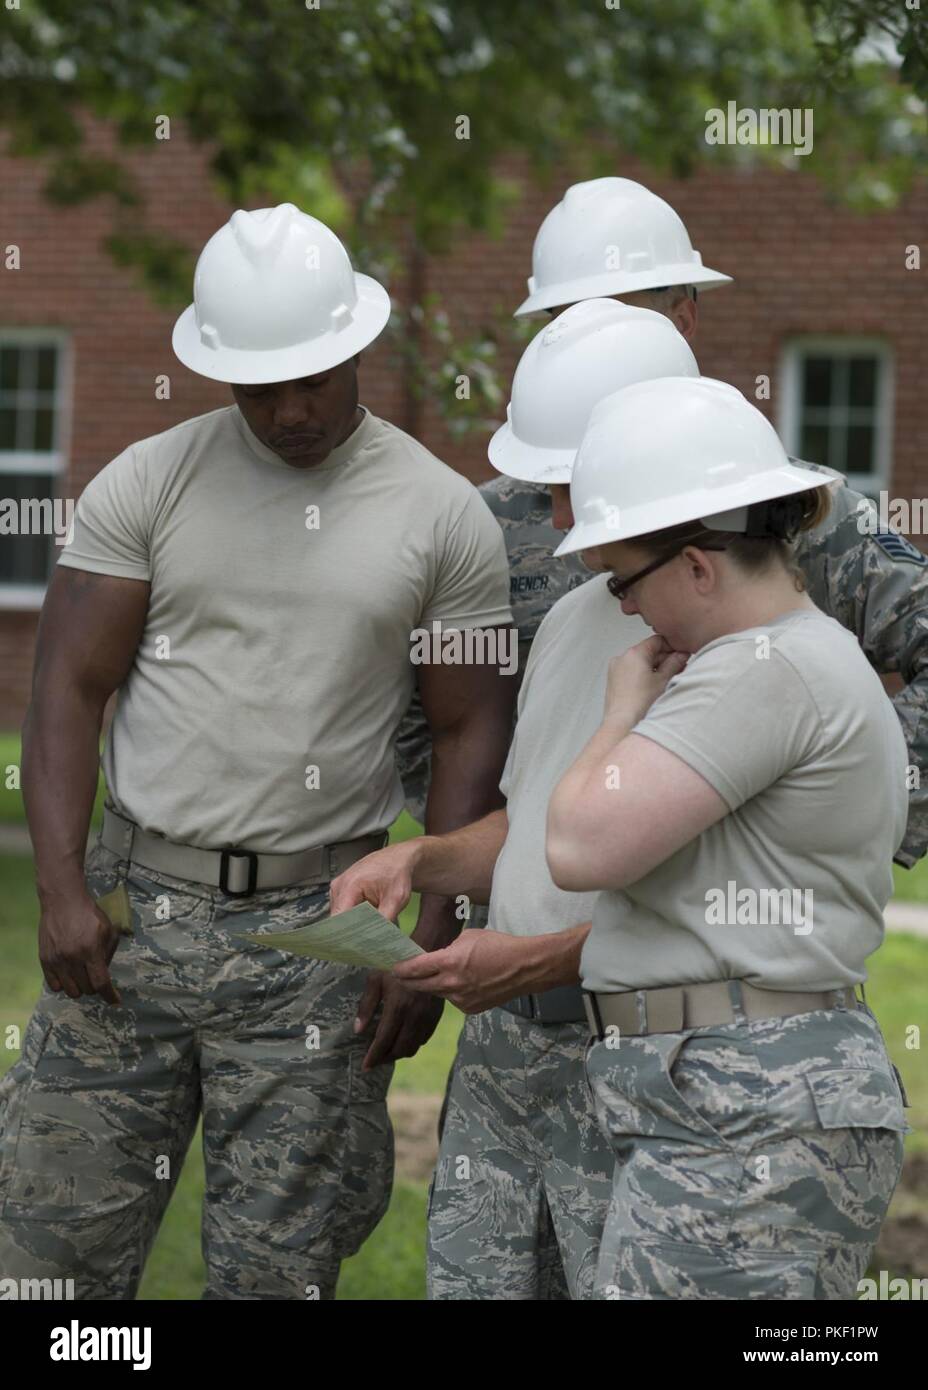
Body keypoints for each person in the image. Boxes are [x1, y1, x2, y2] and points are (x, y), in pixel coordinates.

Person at [0, 202, 514, 1300]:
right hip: (127, 929)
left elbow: (472, 723)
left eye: (312, 380)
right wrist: (57, 888)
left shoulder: (441, 515)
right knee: (47, 1269)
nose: (288, 411)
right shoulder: (147, 481)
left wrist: (433, 935)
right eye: (258, 387)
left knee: (273, 1279)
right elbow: (65, 686)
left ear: (354, 347)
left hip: (320, 941)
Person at [544, 376, 909, 1299]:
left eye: (625, 581)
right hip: (737, 1102)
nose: (625, 609)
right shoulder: (787, 659)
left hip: (745, 1114)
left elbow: (582, 844)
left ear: (699, 566)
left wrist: (620, 710)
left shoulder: (764, 669)